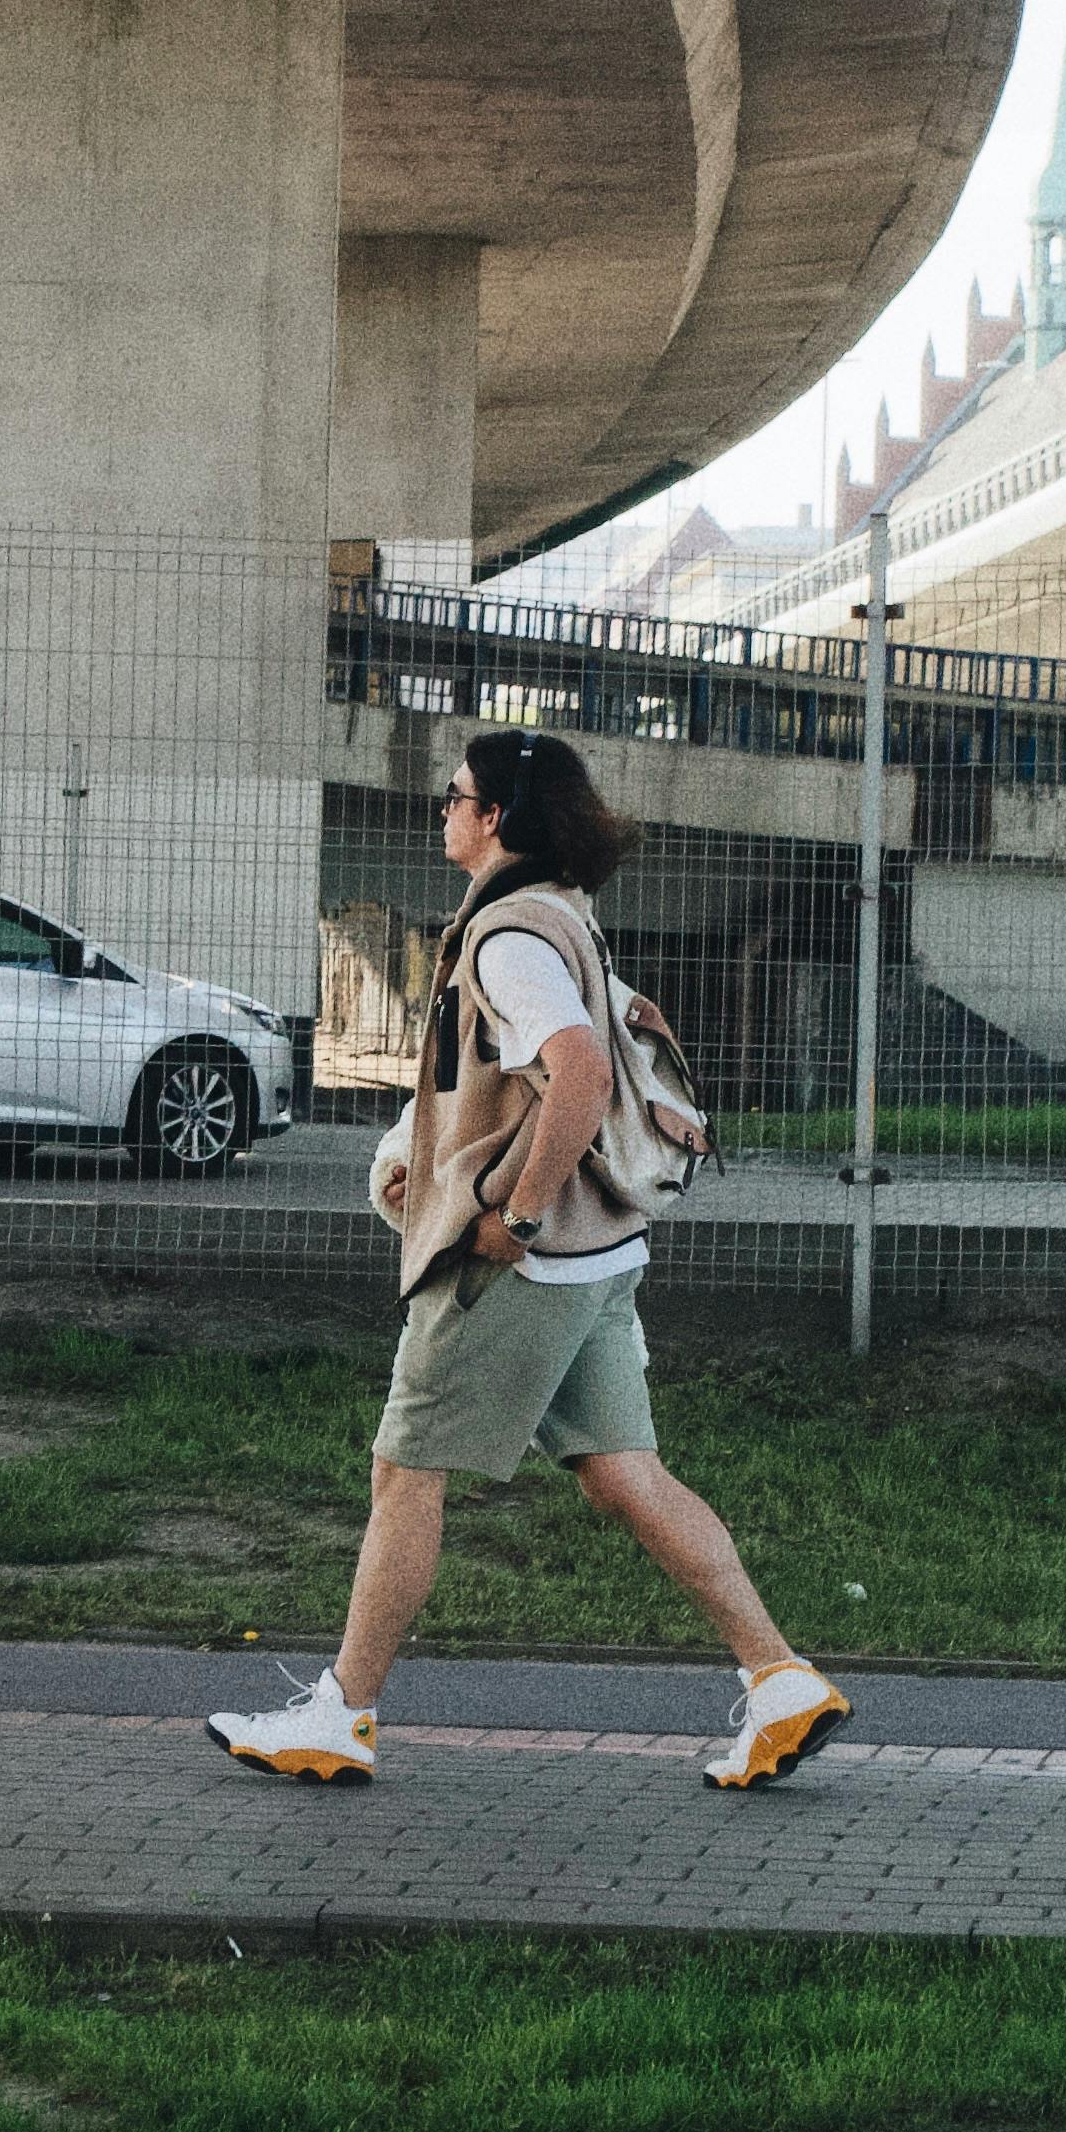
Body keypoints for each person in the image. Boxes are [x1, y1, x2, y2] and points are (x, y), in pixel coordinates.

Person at [203, 726, 848, 1792]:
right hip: (603, 1256)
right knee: (624, 1477)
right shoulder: (563, 919)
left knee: (405, 1475)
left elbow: (580, 1073)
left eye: (455, 796)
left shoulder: (506, 938)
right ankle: (779, 1680)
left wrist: (512, 1214)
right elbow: (522, 1085)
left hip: (532, 1265)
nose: (443, 812)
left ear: (495, 817)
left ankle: (341, 1716)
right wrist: (443, 1164)